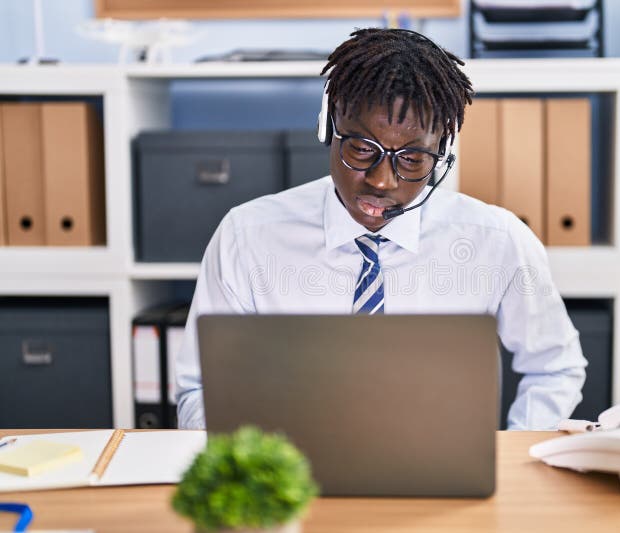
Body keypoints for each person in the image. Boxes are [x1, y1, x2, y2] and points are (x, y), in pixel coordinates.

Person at [176, 28, 587, 430]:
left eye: (412, 159)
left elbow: (556, 367)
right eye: (361, 149)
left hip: (442, 485)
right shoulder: (246, 237)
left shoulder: (497, 241)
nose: (382, 182)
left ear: (442, 153)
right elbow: (198, 389)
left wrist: (513, 460)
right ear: (327, 128)